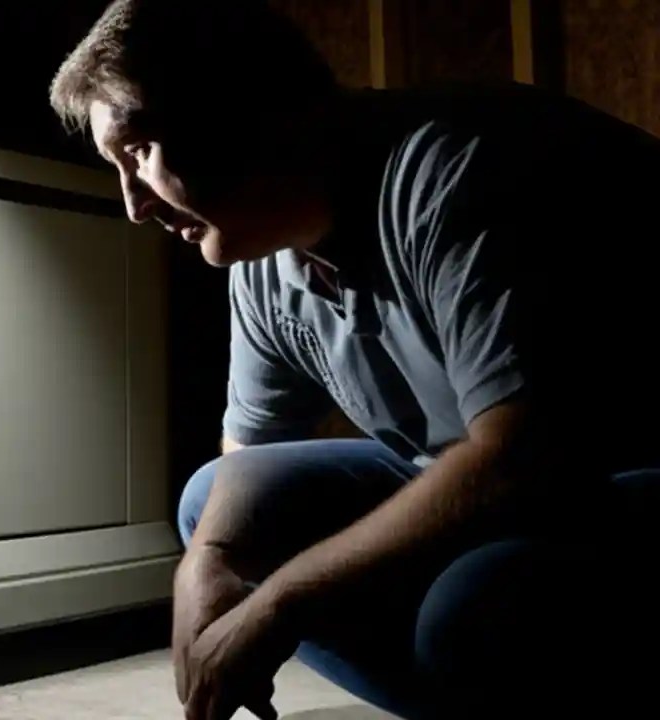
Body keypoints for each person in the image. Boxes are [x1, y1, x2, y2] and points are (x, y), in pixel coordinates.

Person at [48, 1, 660, 719]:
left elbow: (519, 455)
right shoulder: (267, 256)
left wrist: (281, 602)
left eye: (140, 152)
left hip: (620, 468)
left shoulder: (456, 168)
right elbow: (249, 459)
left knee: (472, 611)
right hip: (513, 485)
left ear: (242, 107)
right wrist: (206, 558)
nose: (133, 206)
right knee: (217, 509)